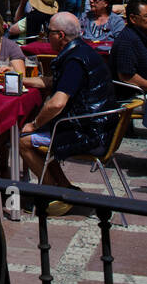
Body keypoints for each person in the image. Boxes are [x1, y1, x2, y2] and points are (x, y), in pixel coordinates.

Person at [20, 11, 117, 214]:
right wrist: (18, 79)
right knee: (38, 137)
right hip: (97, 126)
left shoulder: (74, 61)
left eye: (49, 32)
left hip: (90, 134)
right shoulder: (81, 51)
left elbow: (57, 104)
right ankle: (65, 188)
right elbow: (51, 81)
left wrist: (34, 124)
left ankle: (53, 193)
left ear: (60, 35)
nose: (47, 35)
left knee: (24, 141)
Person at [110, 0, 147, 122]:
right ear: (133, 18)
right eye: (146, 16)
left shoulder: (141, 36)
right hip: (131, 97)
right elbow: (127, 77)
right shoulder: (127, 40)